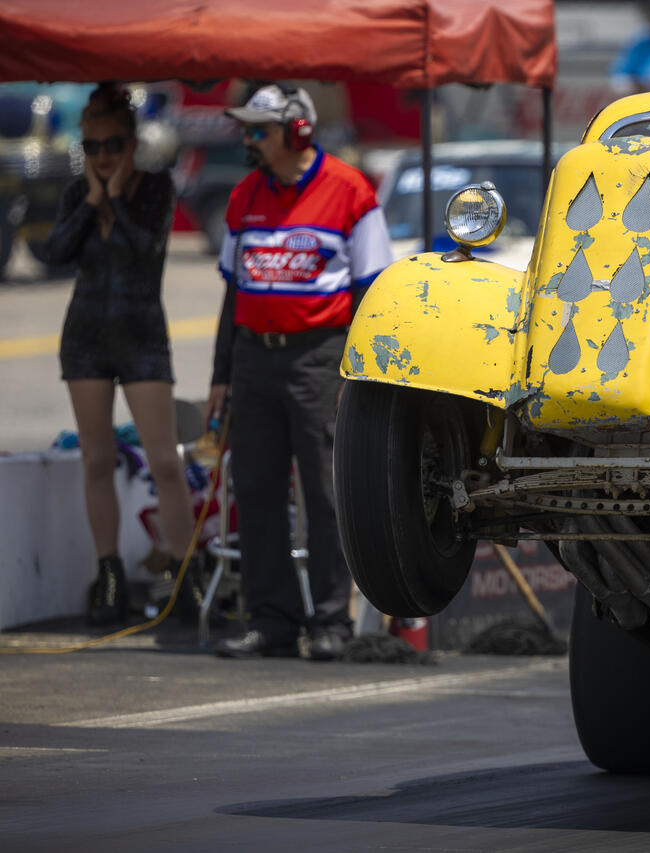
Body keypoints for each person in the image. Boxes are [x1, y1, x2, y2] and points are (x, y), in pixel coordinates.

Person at [206, 83, 392, 660]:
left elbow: (371, 294)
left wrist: (356, 378)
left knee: (326, 494)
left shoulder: (349, 191)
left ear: (298, 132)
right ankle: (272, 621)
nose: (248, 140)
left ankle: (332, 620)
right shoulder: (244, 194)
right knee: (256, 491)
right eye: (246, 129)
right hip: (253, 360)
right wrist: (220, 376)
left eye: (258, 130)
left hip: (320, 359)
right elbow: (233, 294)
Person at [42, 83, 196, 627]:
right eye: (92, 146)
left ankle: (183, 575)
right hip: (86, 338)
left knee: (165, 462)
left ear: (132, 145)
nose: (102, 156)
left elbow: (145, 249)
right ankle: (108, 575)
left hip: (141, 337)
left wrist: (116, 198)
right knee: (97, 460)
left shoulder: (156, 189)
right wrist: (92, 200)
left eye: (112, 145)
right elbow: (55, 252)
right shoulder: (78, 194)